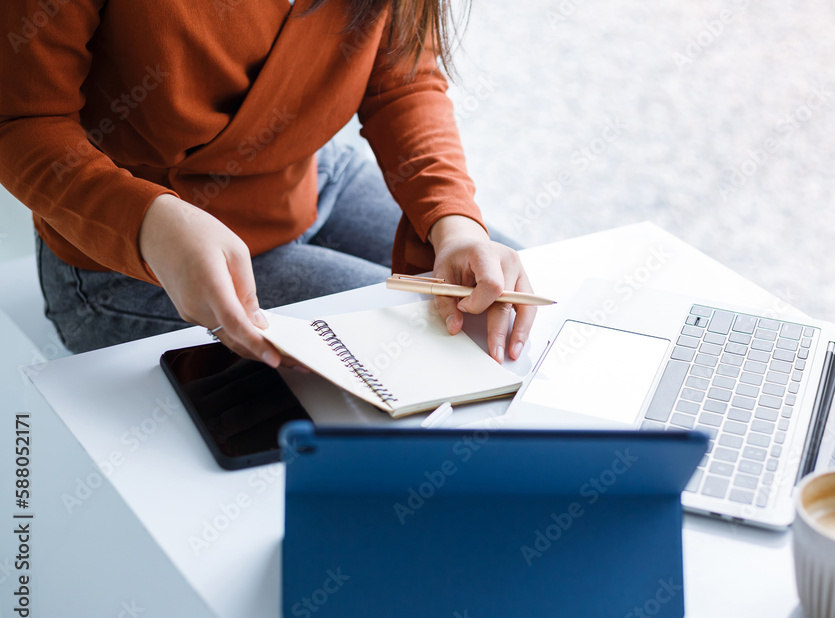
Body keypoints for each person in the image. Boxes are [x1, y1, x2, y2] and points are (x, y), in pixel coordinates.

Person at [0, 0, 535, 368]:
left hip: (307, 173)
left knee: (505, 281)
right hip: (127, 255)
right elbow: (23, 122)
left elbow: (403, 77)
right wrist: (148, 223)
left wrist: (456, 223)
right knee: (434, 346)